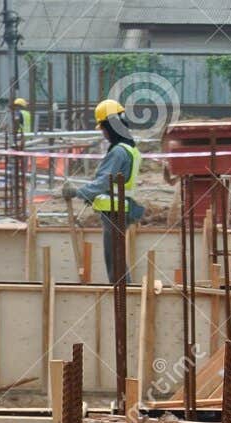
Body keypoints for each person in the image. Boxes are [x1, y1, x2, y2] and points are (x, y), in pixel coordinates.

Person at [62, 98, 145, 284]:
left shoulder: (118, 152)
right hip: (120, 209)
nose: (103, 133)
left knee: (115, 261)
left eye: (104, 128)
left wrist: (77, 192)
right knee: (117, 258)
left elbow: (103, 182)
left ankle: (123, 294)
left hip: (114, 212)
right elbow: (113, 183)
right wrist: (93, 196)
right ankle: (123, 292)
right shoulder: (130, 148)